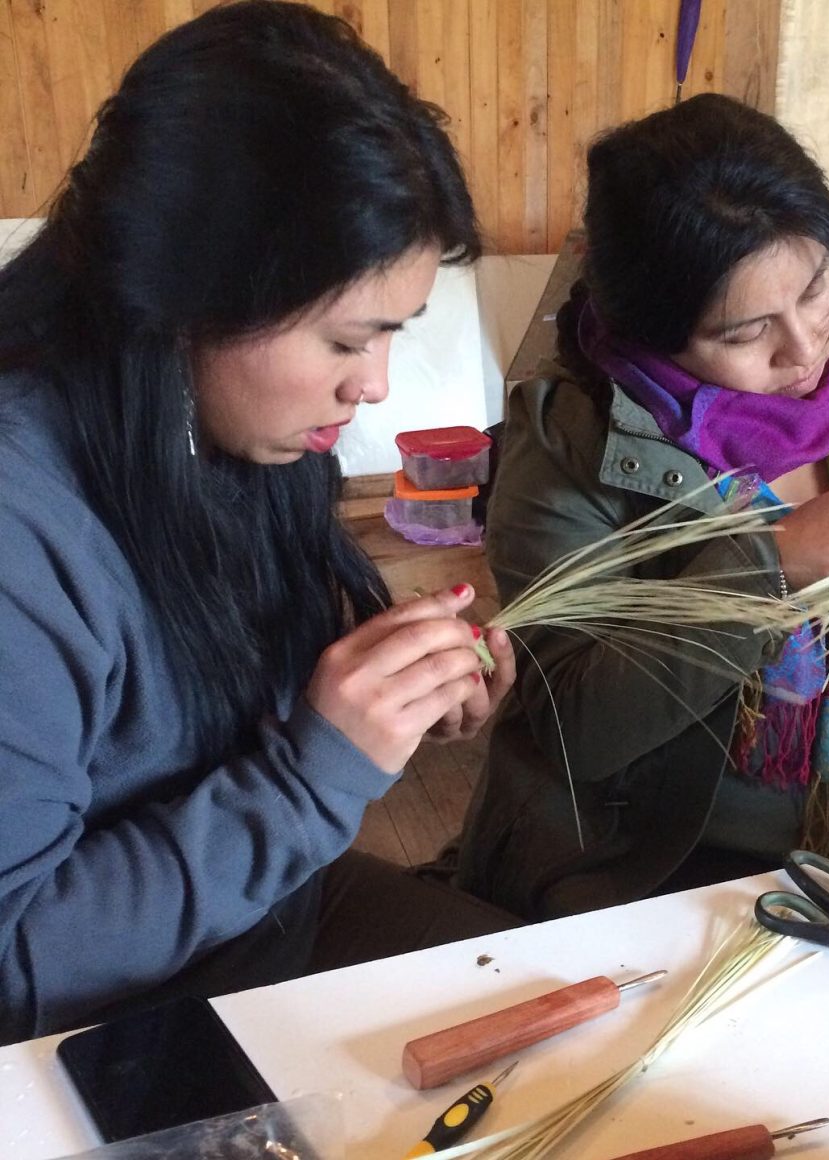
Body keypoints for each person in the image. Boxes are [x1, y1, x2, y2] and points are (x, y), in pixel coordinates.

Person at [0, 1, 519, 1047]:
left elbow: (205, 717)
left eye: (390, 336)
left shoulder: (224, 431)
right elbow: (14, 961)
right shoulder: (22, 531)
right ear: (192, 295)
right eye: (345, 339)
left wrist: (389, 701)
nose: (371, 386)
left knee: (581, 1019)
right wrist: (316, 769)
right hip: (87, 1022)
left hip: (259, 912)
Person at [451, 94, 829, 936]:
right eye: (748, 329)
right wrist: (766, 563)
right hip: (652, 841)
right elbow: (579, 729)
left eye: (819, 288)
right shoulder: (570, 439)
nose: (805, 349)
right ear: (656, 331)